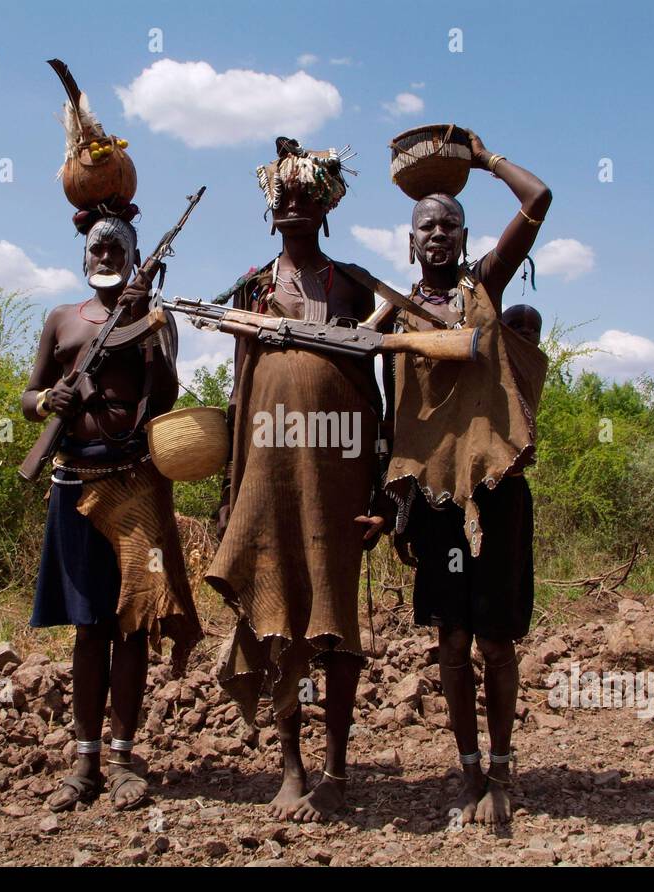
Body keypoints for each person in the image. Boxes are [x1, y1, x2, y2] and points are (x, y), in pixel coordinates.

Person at [206, 138, 388, 822]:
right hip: (270, 471)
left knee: (335, 626)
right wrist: (230, 491)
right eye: (282, 197)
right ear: (269, 208)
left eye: (306, 196)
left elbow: (379, 388)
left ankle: (337, 772)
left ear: (328, 205)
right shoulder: (255, 288)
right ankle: (290, 767)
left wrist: (381, 491)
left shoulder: (355, 285)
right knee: (277, 619)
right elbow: (240, 386)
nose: (293, 206)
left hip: (340, 473)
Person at [380, 130, 550, 825]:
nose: (439, 234)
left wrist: (484, 160)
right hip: (435, 498)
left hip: (495, 489)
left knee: (497, 639)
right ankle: (467, 772)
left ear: (465, 233)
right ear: (411, 238)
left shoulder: (486, 286)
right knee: (450, 639)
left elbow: (539, 199)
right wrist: (384, 500)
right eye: (427, 226)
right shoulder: (389, 311)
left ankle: (503, 775)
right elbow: (383, 411)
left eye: (450, 224)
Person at [23, 207, 201, 813]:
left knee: (133, 623)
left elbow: (169, 392)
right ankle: (85, 761)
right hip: (75, 482)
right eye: (97, 249)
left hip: (137, 483)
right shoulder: (61, 319)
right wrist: (52, 397)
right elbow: (26, 397)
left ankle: (123, 757)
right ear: (84, 256)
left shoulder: (154, 319)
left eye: (115, 248)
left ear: (134, 255)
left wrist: (147, 321)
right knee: (88, 625)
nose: (105, 256)